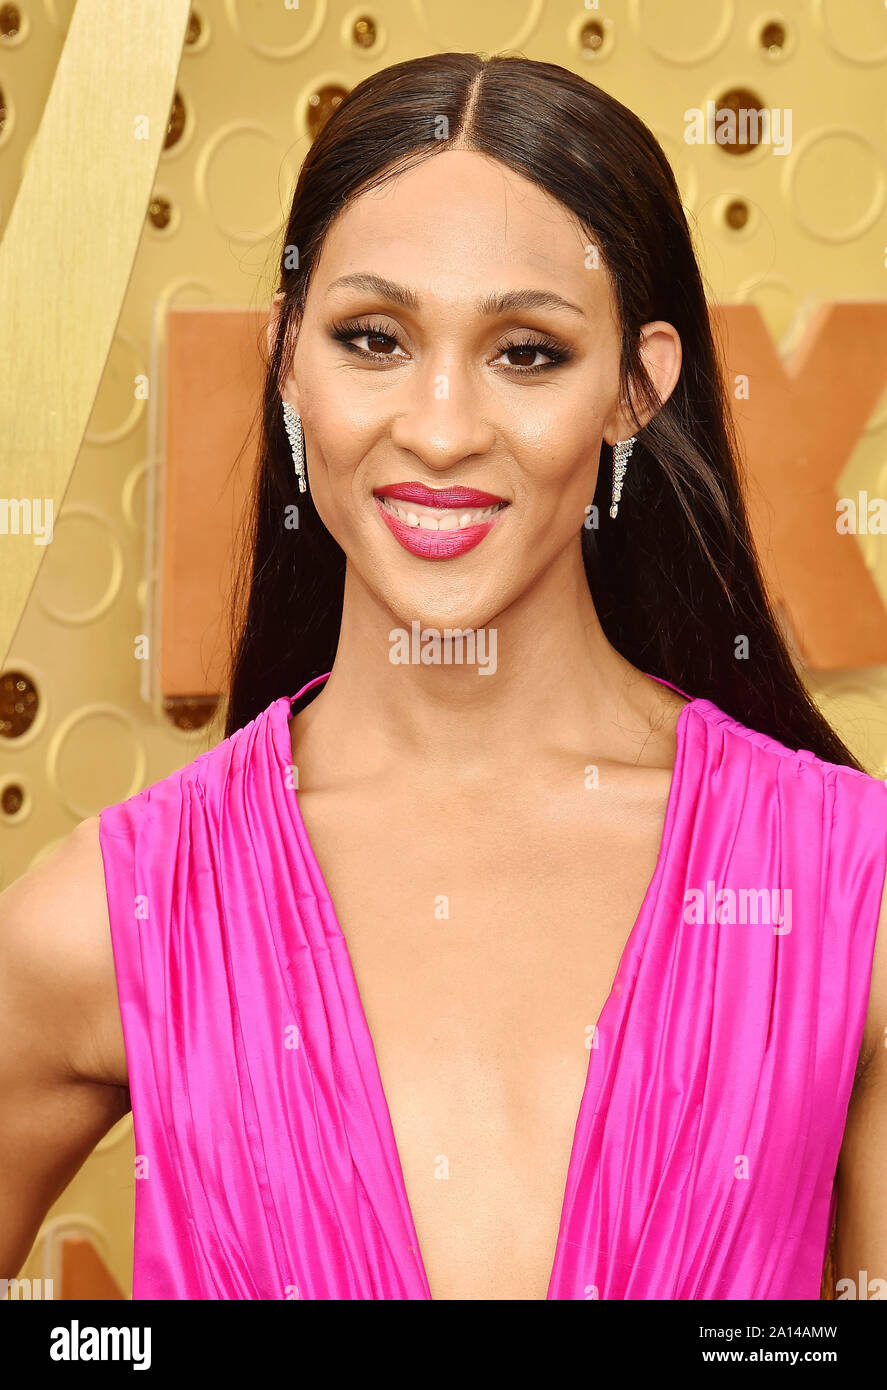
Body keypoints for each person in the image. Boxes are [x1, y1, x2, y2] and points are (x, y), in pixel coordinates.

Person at [2, 53, 885, 1301]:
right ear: (286, 364)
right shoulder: (109, 916)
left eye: (525, 352)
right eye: (372, 338)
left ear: (635, 388)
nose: (438, 425)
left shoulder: (845, 891)